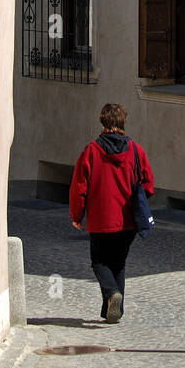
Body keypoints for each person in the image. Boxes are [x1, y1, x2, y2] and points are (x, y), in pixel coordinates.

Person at [69, 103, 155, 324]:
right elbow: (149, 185)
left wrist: (77, 216)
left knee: (99, 261)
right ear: (123, 123)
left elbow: (79, 187)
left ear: (103, 122)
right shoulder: (136, 150)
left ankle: (111, 295)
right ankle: (114, 310)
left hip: (101, 219)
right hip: (127, 220)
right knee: (118, 263)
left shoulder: (91, 151)